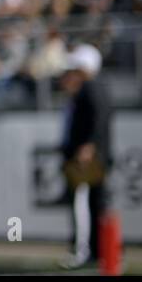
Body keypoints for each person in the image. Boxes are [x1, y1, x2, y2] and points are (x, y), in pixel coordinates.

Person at [57, 44, 114, 270]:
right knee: (92, 203)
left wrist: (88, 145)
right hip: (88, 156)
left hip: (88, 159)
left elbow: (98, 120)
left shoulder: (92, 88)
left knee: (83, 203)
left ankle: (84, 250)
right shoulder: (88, 89)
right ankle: (99, 251)